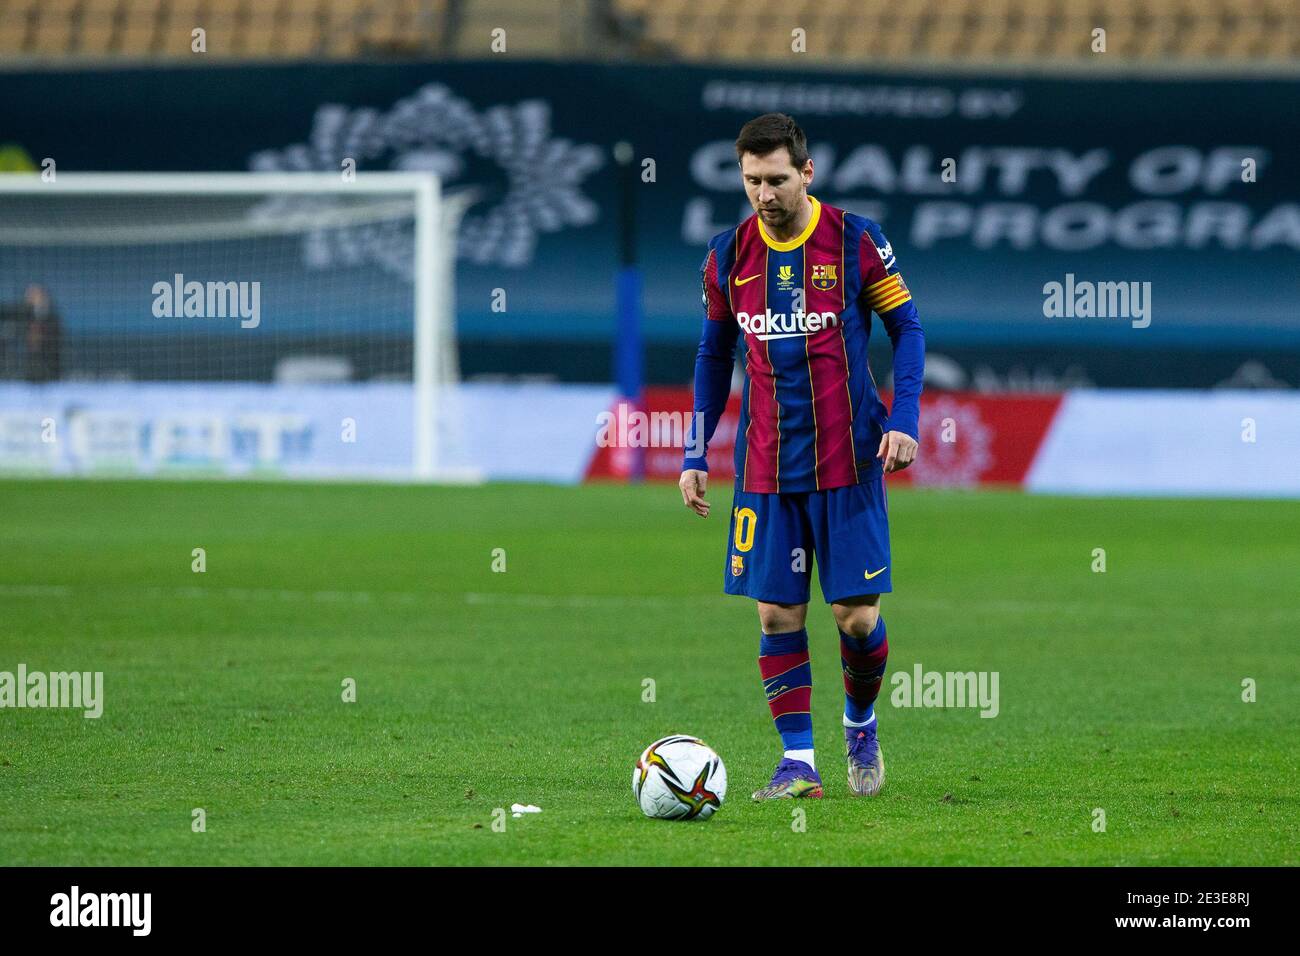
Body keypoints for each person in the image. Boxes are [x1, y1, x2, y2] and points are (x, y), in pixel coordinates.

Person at [679, 113, 925, 801]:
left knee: (856, 617)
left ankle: (860, 720)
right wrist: (696, 448)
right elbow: (713, 353)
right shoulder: (728, 255)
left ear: (807, 173)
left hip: (848, 457)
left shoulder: (854, 240)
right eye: (752, 180)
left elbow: (907, 328)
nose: (765, 193)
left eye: (778, 179)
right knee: (776, 615)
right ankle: (798, 763)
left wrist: (903, 419)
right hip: (763, 465)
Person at [22, 284, 62, 382]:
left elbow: (56, 343)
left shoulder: (52, 318)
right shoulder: (23, 317)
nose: (29, 298)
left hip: (49, 368)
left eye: (34, 294)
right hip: (27, 370)